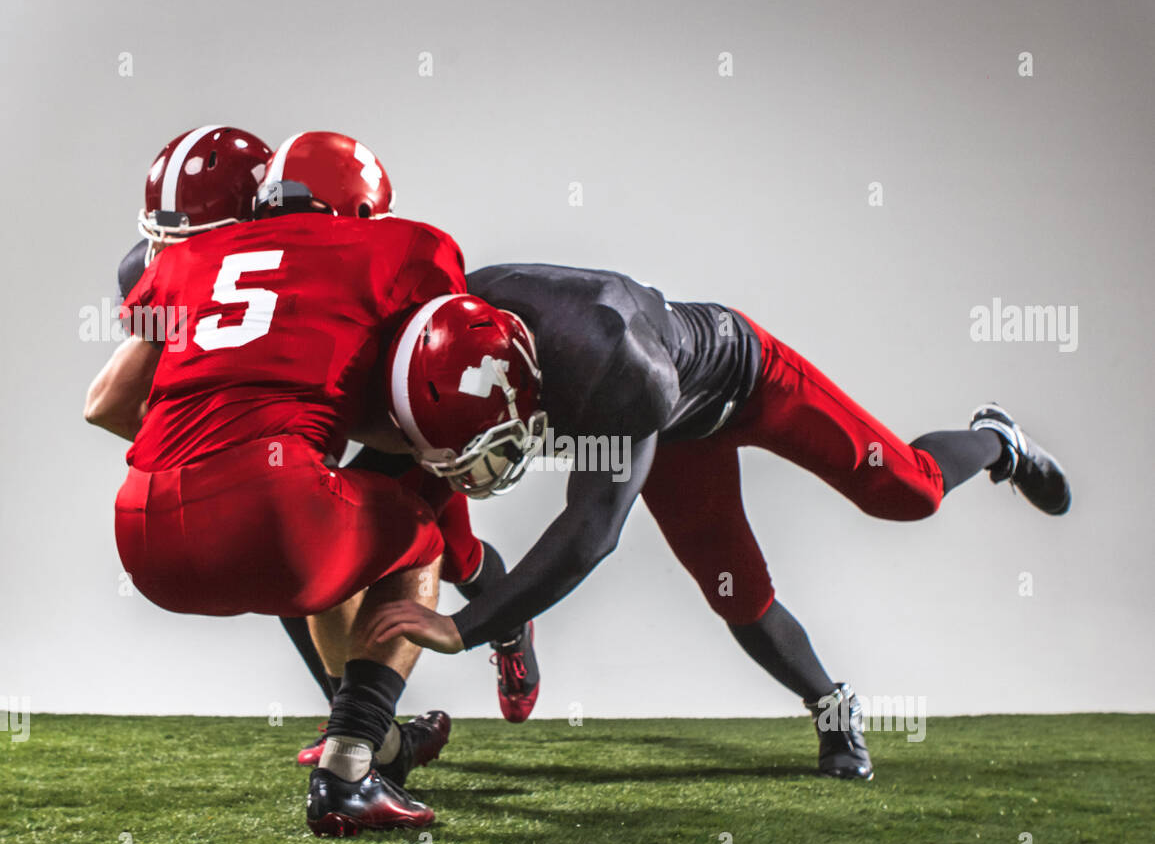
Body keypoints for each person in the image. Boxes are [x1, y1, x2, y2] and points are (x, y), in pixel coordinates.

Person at [363, 264, 1071, 782]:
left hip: (742, 381)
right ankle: (832, 707)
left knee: (906, 492)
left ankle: (996, 439)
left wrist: (464, 628)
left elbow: (591, 533)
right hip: (665, 424)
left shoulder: (616, 366)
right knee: (734, 590)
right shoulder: (450, 331)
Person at [87, 128, 477, 834]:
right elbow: (426, 380)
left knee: (334, 534)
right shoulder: (408, 245)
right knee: (415, 536)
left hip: (142, 528)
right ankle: (348, 770)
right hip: (275, 515)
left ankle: (373, 737)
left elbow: (105, 406)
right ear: (362, 209)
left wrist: (200, 450)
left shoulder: (191, 255)